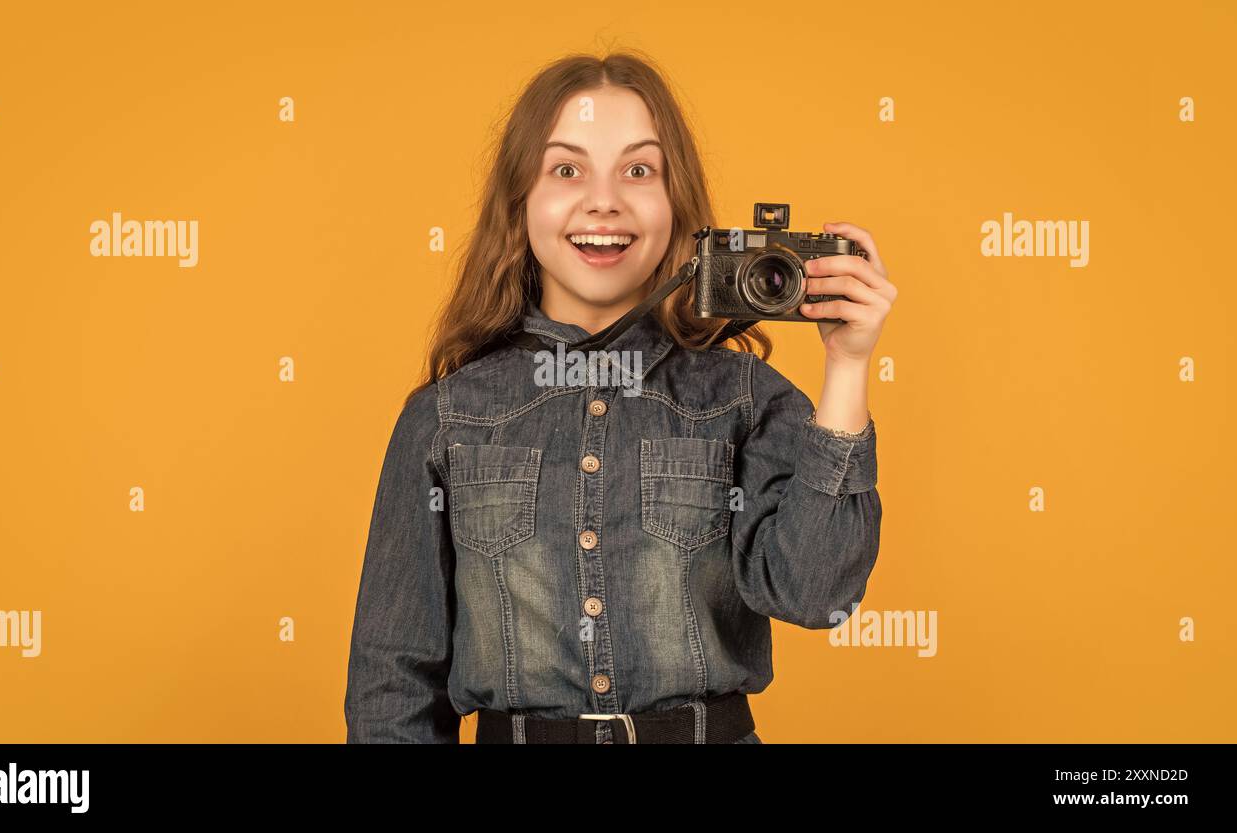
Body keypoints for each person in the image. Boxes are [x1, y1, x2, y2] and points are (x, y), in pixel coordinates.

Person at [344, 50, 896, 744]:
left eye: (639, 170)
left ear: (676, 203)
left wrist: (847, 366)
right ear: (521, 200)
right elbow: (392, 683)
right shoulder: (445, 419)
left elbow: (819, 594)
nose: (603, 200)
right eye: (566, 168)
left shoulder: (743, 399)